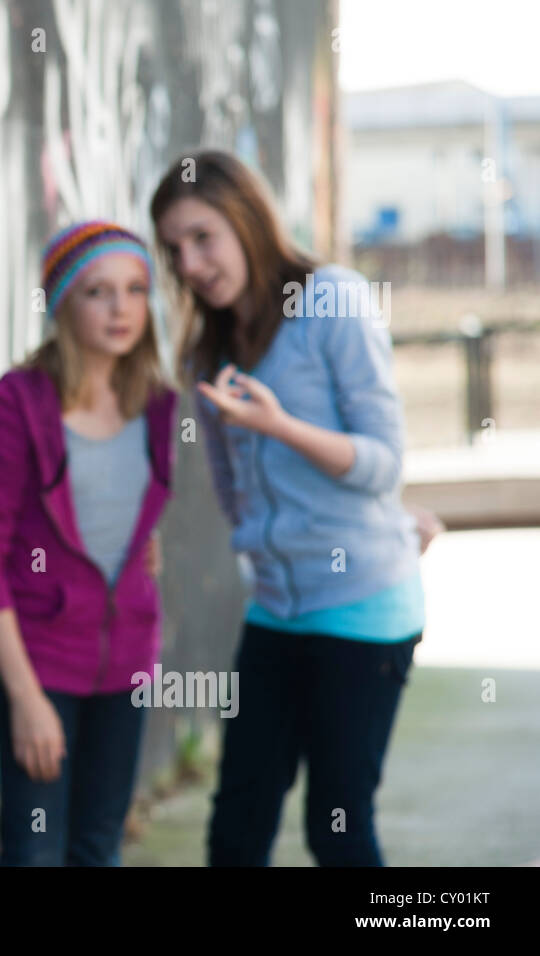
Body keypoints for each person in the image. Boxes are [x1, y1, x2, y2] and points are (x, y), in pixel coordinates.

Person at [149, 149, 439, 866]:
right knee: (237, 824)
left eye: (202, 237)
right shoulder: (206, 351)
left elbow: (382, 461)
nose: (189, 263)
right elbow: (234, 497)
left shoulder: (331, 301)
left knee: (336, 828)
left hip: (363, 607)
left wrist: (279, 427)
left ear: (245, 220)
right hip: (275, 609)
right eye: (174, 248)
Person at [0, 221, 177, 865]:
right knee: (34, 854)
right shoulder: (16, 404)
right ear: (61, 301)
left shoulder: (159, 403)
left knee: (97, 849)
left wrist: (138, 547)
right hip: (43, 662)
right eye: (98, 292)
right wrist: (26, 699)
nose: (121, 309)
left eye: (136, 290)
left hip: (126, 662)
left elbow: (129, 512)